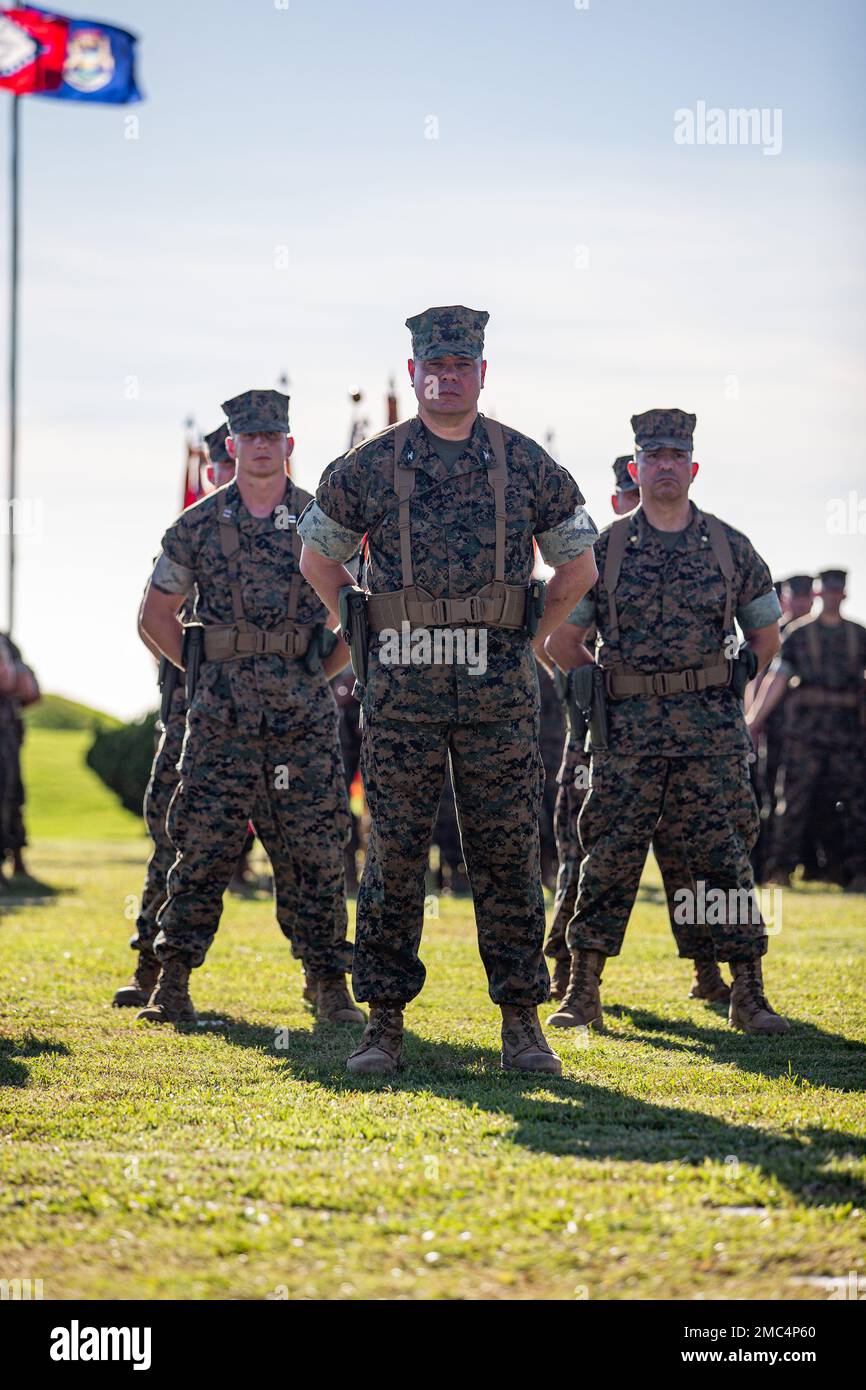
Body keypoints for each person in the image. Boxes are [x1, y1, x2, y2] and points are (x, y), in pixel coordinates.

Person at [299, 304, 598, 1075]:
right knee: (393, 857)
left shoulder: (525, 462)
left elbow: (579, 567)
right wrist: (360, 632)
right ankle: (384, 1025)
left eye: (461, 365)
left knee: (505, 856)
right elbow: (318, 560)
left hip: (499, 698)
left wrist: (527, 638)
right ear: (414, 373)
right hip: (401, 698)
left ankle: (522, 1024)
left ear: (482, 373)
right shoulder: (368, 466)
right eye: (434, 365)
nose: (447, 376)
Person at [545, 408, 789, 1036]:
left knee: (725, 861)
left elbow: (765, 635)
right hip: (625, 739)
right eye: (652, 457)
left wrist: (735, 678)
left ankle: (748, 994)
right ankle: (582, 992)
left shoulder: (731, 548)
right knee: (608, 860)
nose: (663, 467)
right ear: (635, 466)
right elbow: (562, 638)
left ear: (692, 467)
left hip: (709, 739)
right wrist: (598, 687)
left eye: (675, 457)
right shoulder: (606, 549)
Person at [137, 389, 360, 1026]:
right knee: (201, 846)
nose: (261, 446)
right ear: (230, 446)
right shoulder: (198, 526)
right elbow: (155, 615)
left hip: (302, 721)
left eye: (273, 437)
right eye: (249, 437)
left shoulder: (321, 524)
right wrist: (209, 671)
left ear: (288, 446)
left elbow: (354, 613)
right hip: (220, 721)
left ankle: (327, 982)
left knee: (315, 849)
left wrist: (314, 670)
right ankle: (173, 980)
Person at [545, 455, 728, 1004]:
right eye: (628, 496)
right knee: (584, 858)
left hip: (671, 741)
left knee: (685, 857)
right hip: (593, 740)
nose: (636, 506)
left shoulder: (682, 558)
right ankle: (564, 969)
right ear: (616, 500)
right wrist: (596, 687)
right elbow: (554, 638)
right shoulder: (597, 561)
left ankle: (707, 969)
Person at [750, 569, 866, 891]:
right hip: (805, 734)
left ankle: (855, 872)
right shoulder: (799, 635)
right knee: (793, 801)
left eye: (836, 592)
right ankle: (780, 871)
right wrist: (754, 720)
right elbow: (776, 679)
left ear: (842, 595)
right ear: (820, 594)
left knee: (855, 803)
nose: (831, 597)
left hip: (848, 733)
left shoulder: (859, 635)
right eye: (826, 591)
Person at [0, 633, 40, 882]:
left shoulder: (7, 644)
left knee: (9, 796)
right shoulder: (7, 643)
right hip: (6, 730)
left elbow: (26, 688)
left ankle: (15, 858)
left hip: (6, 729)